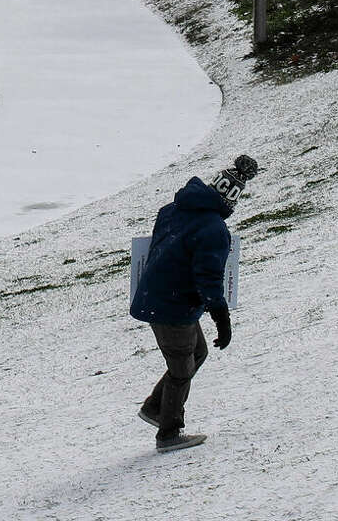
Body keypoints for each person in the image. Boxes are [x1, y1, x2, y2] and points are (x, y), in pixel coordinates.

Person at [129, 154, 259, 453]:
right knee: (181, 369)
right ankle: (169, 434)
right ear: (231, 201)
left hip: (157, 297)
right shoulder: (214, 230)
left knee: (197, 353)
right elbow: (210, 278)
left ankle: (155, 408)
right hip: (173, 308)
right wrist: (222, 319)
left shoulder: (173, 210)